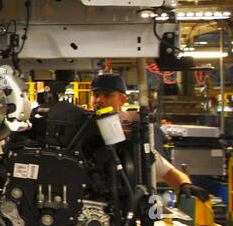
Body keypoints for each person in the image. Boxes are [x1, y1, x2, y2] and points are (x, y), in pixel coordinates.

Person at [88, 72, 209, 200]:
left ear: (122, 100)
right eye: (96, 95)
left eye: (107, 95)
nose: (99, 100)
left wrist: (184, 184)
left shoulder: (133, 138)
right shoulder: (80, 133)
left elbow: (168, 172)